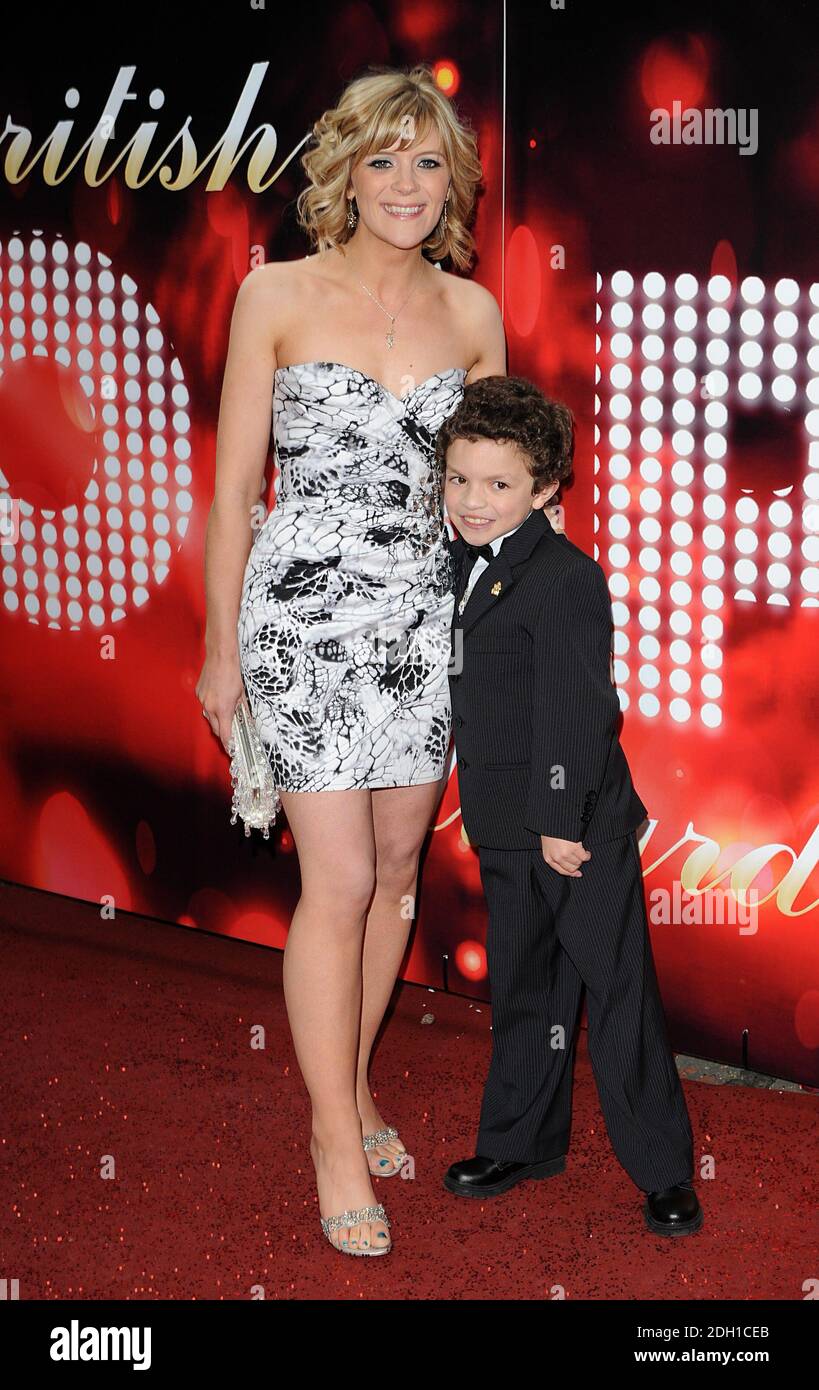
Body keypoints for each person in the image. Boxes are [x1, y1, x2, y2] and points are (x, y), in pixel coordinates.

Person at [195, 63, 510, 1257]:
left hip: (424, 625)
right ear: (343, 171)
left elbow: (499, 490)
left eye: (428, 162)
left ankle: (359, 1084)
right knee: (333, 883)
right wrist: (221, 648)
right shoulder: (272, 293)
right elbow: (231, 494)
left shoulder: (473, 315)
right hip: (304, 619)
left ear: (453, 183)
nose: (406, 184)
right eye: (382, 158)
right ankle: (334, 1132)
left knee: (392, 874)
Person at [437, 375, 703, 1236]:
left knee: (616, 988)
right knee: (524, 985)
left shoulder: (565, 579)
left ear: (546, 488)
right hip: (504, 823)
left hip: (573, 823)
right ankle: (520, 1140)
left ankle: (664, 1171)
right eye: (458, 479)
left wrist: (557, 823)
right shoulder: (462, 562)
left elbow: (579, 709)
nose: (473, 502)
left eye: (499, 485)